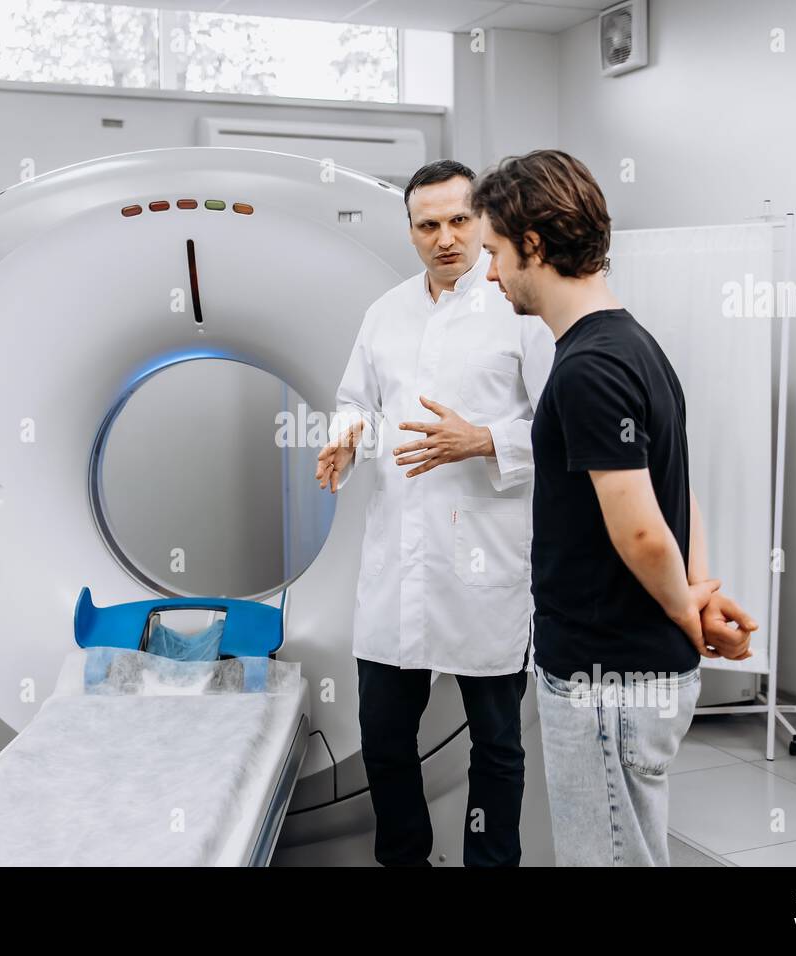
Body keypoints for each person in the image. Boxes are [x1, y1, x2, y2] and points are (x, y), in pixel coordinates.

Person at [470, 149, 758, 866]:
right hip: (632, 676)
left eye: (496, 252)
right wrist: (697, 593)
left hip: (609, 681)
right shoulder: (635, 345)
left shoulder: (588, 368)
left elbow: (639, 529)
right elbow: (677, 496)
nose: (490, 272)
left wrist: (688, 611)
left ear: (532, 245)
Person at [315, 160, 554, 866]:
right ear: (411, 232)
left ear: (483, 220)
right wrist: (344, 439)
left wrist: (482, 438)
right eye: (429, 225)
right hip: (398, 563)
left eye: (459, 220)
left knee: (497, 745)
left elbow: (561, 425)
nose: (446, 237)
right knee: (385, 741)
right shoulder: (385, 312)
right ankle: (406, 859)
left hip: (485, 561)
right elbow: (355, 399)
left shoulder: (520, 309)